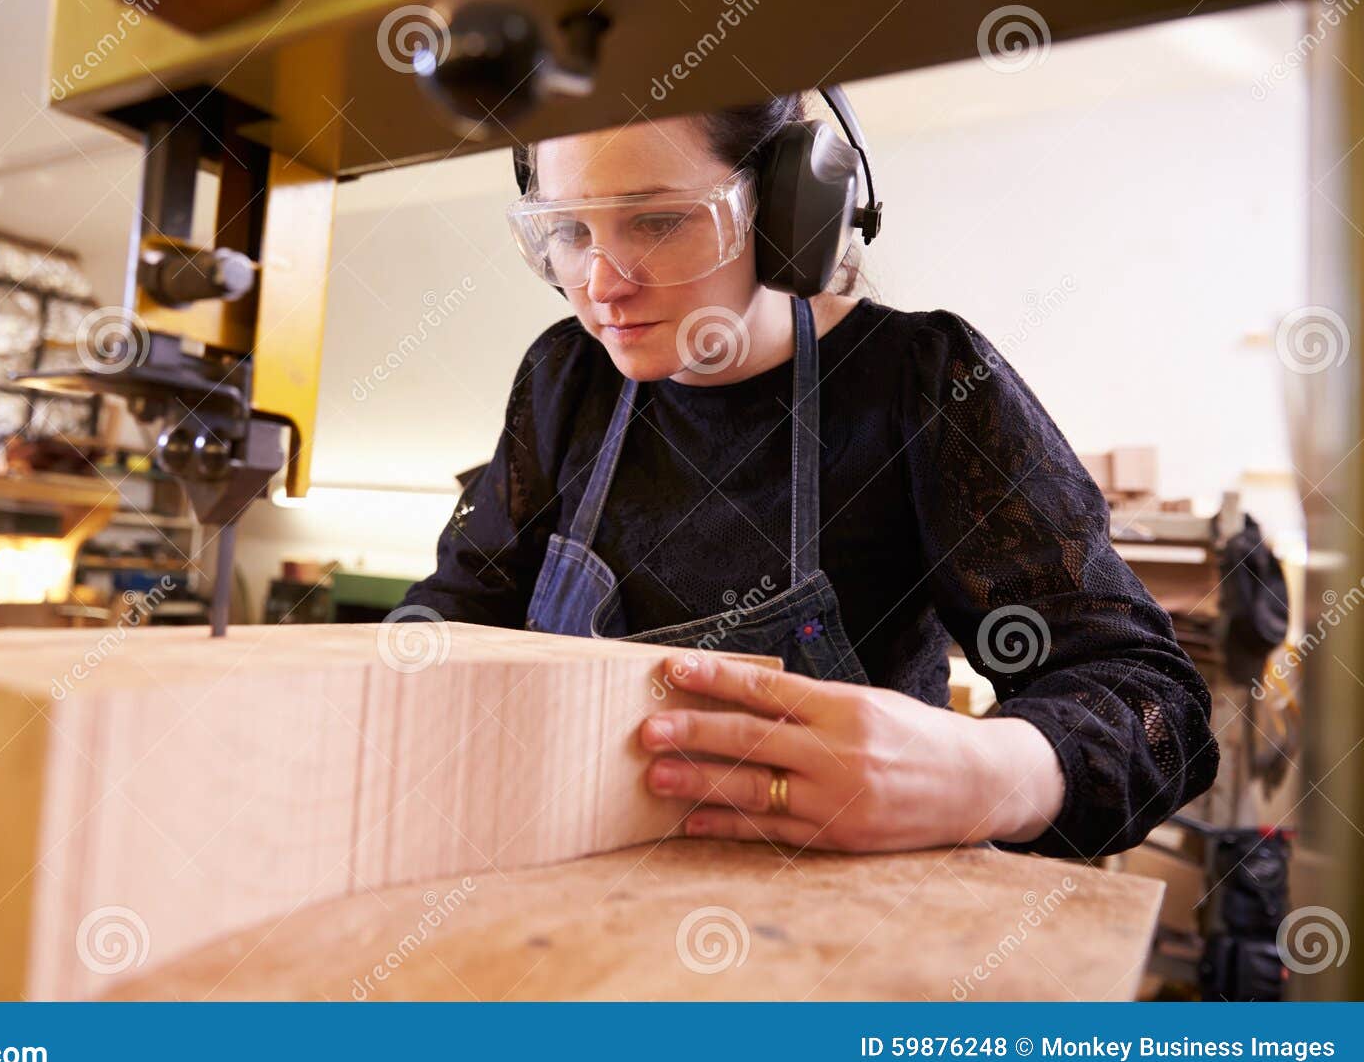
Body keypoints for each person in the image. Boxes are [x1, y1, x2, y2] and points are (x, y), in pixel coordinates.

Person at [399, 89, 1217, 860]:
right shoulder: (564, 378)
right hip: (571, 901)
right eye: (570, 230)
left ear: (791, 208)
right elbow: (456, 613)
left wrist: (983, 772)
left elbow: (1154, 702)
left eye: (656, 220)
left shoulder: (920, 384)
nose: (602, 284)